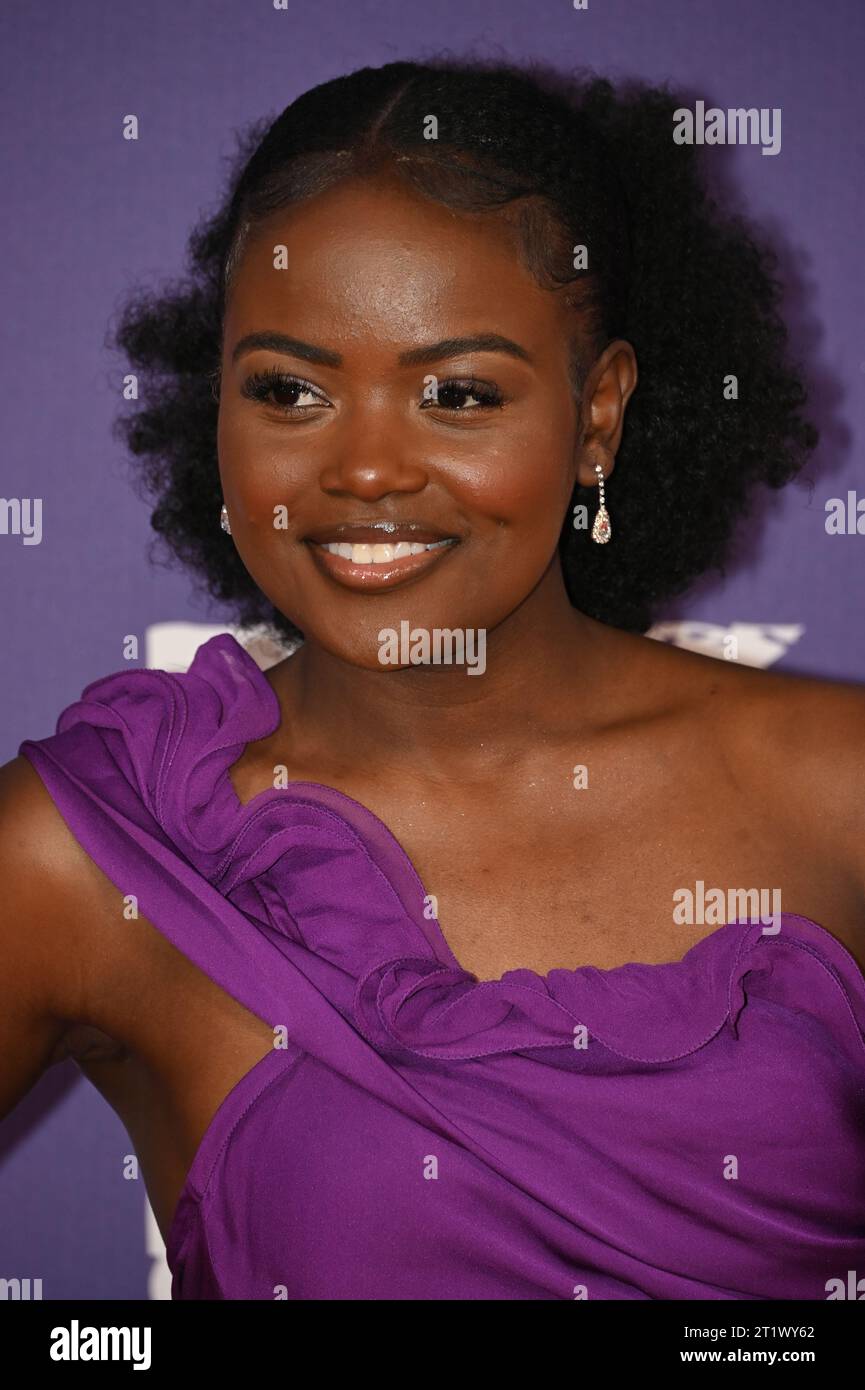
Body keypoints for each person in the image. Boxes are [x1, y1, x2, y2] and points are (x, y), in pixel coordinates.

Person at [2, 57, 863, 1301]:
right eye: (288, 390)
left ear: (598, 415)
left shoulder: (838, 788)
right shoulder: (92, 857)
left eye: (457, 392)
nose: (363, 470)